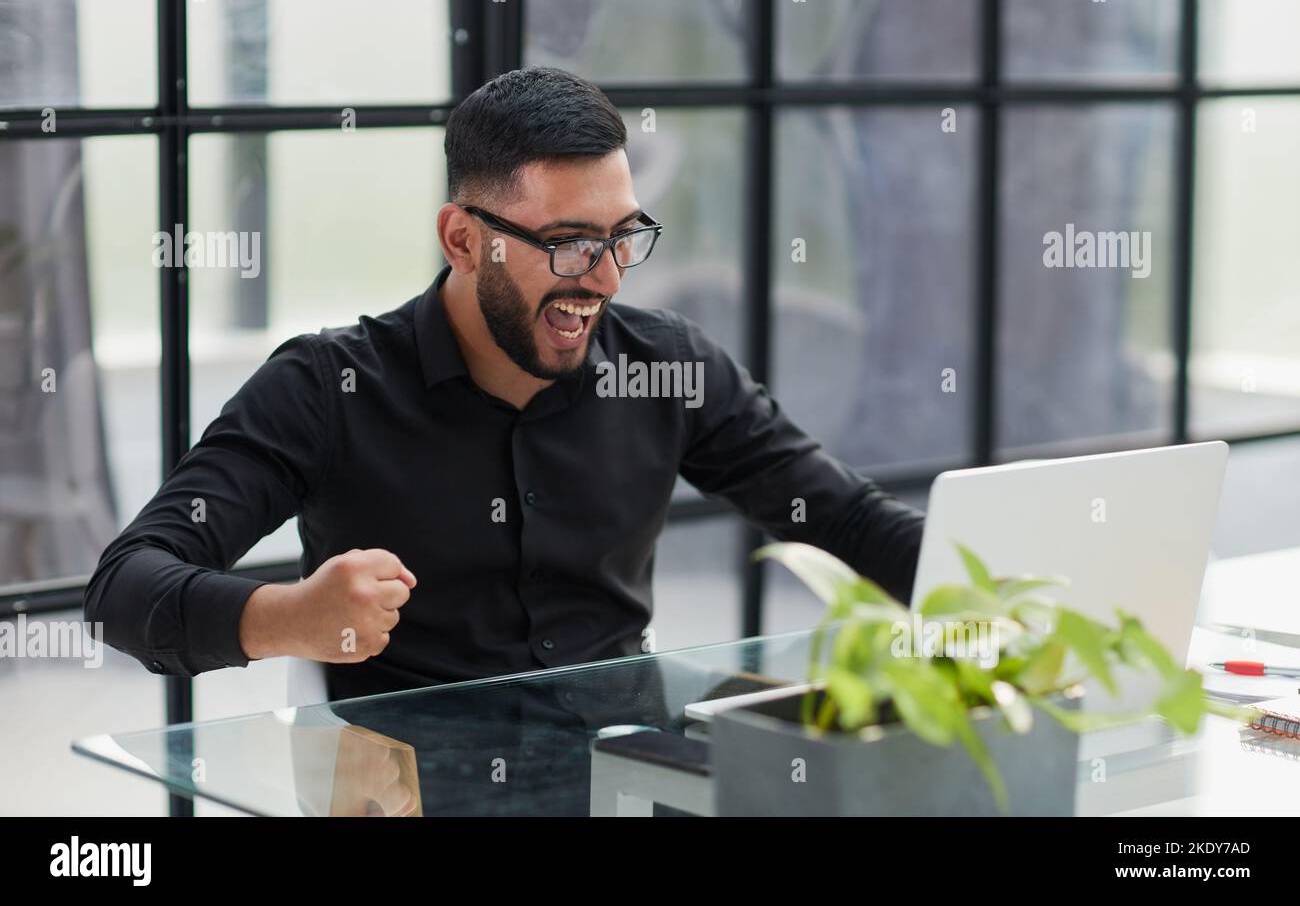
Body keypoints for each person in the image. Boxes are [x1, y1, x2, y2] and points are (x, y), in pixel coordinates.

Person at [85, 67, 925, 700]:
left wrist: (1002, 585)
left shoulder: (669, 368)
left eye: (622, 237)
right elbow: (123, 587)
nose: (602, 279)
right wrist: (284, 618)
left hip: (623, 771)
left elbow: (844, 518)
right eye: (567, 242)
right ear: (462, 239)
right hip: (403, 787)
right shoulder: (324, 387)